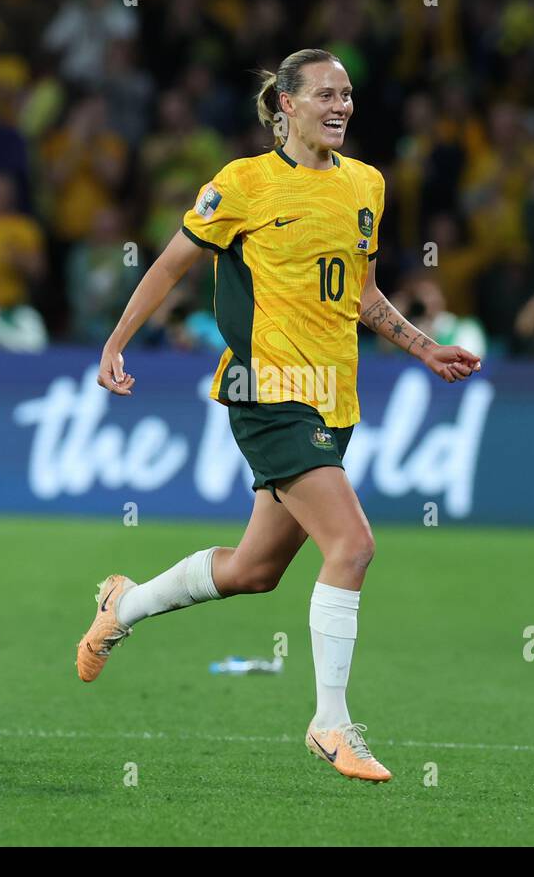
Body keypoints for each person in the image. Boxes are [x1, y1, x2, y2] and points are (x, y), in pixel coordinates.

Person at [77, 49, 481, 783]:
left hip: (334, 399)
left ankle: (123, 603)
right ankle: (330, 723)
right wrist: (115, 342)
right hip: (268, 392)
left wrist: (424, 348)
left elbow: (362, 295)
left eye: (349, 93)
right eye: (325, 93)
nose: (342, 105)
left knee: (254, 570)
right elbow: (171, 262)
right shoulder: (244, 183)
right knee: (353, 546)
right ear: (285, 106)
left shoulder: (367, 185)